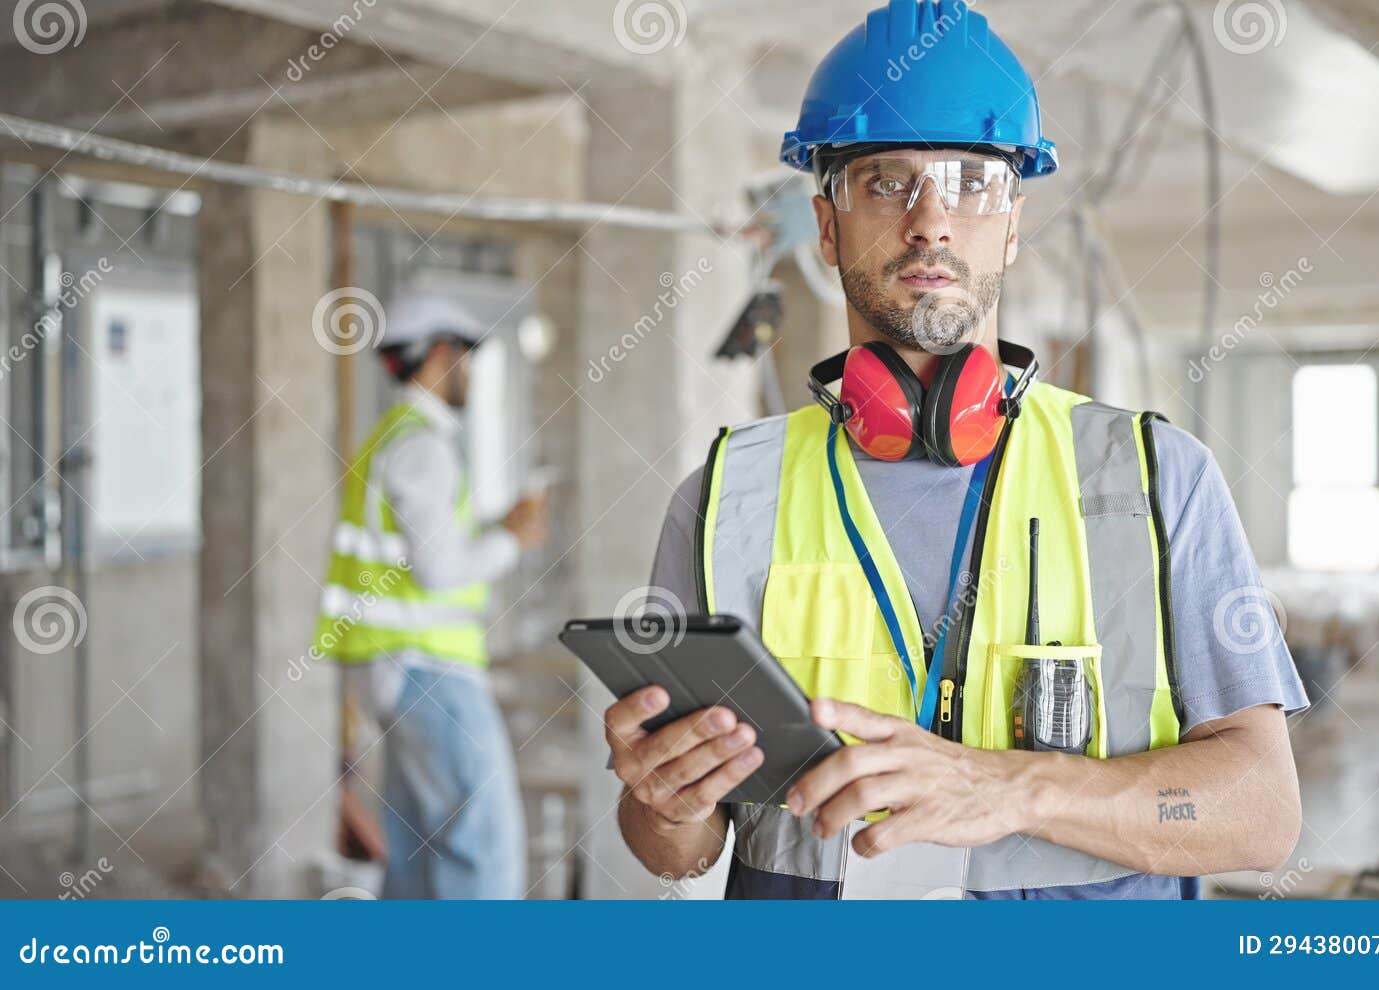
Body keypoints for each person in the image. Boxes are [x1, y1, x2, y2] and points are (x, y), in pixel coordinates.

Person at [602, 0, 1309, 900]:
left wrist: (1012, 787)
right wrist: (664, 808)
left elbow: (1261, 817)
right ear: (826, 227)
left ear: (1012, 223)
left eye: (971, 183)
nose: (932, 221)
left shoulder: (1153, 478)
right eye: (887, 182)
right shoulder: (724, 499)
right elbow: (681, 852)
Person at [314, 292, 546, 899]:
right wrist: (513, 538)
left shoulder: (394, 436)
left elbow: (422, 548)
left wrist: (496, 529)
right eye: (465, 357)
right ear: (441, 355)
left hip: (396, 666)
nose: (467, 371)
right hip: (426, 668)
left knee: (417, 848)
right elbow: (439, 570)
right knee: (483, 850)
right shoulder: (424, 444)